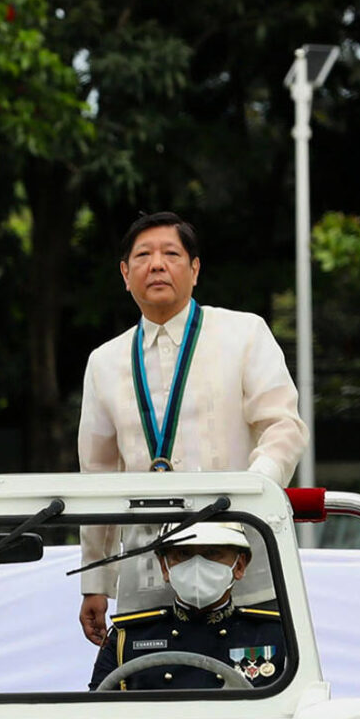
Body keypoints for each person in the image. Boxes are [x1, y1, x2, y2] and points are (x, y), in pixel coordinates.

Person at [75, 212, 307, 647]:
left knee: (252, 689)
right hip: (147, 570)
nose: (157, 265)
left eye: (171, 254)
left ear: (195, 269)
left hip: (241, 558)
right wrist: (95, 580)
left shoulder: (244, 333)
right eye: (143, 256)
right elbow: (97, 476)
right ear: (125, 274)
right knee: (149, 692)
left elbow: (283, 425)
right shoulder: (104, 361)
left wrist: (254, 488)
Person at [89, 522, 286, 692]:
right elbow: (95, 713)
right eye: (183, 554)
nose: (197, 565)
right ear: (165, 567)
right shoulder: (127, 639)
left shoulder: (275, 633)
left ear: (240, 565)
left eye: (212, 553)